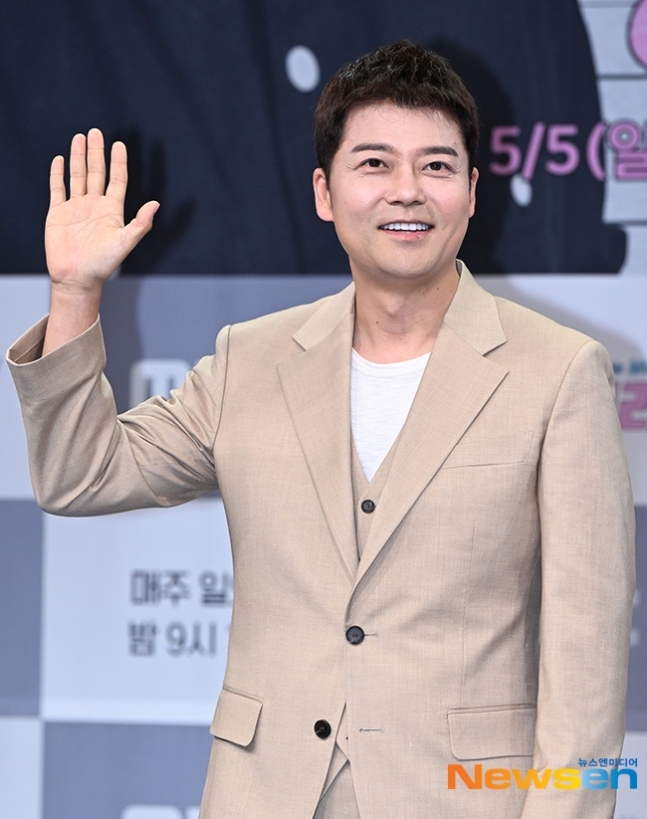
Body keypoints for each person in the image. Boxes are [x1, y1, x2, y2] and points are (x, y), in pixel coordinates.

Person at [7, 40, 635, 819]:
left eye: (436, 166)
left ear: (472, 192)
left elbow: (587, 661)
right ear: (324, 192)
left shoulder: (558, 371)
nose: (406, 190)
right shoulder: (250, 360)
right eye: (374, 163)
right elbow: (80, 474)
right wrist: (74, 295)